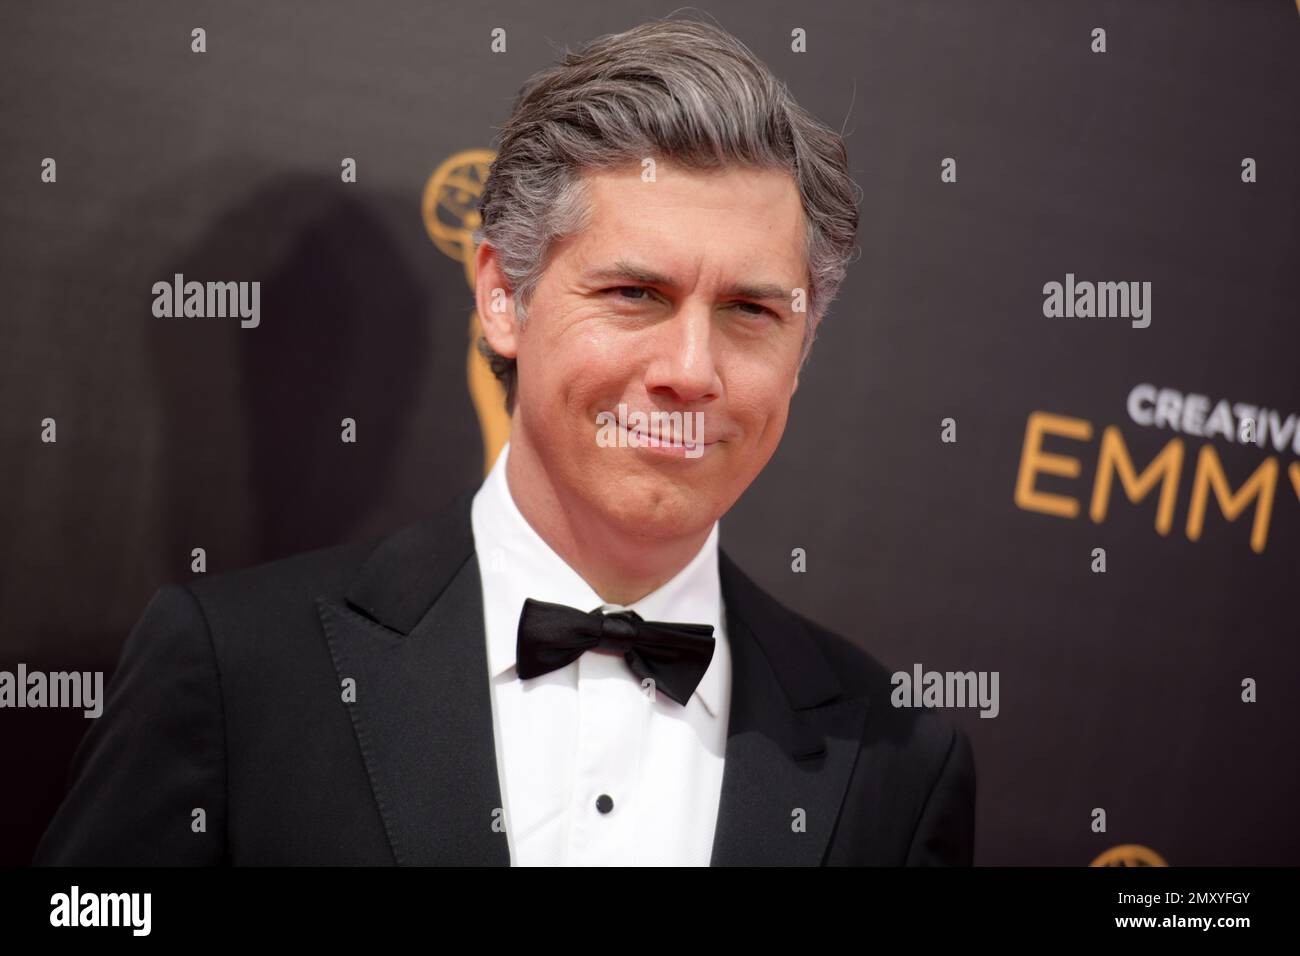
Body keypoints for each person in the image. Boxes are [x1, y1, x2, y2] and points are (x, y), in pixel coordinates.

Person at [35, 14, 974, 866]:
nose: (693, 368)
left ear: (803, 349)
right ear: (501, 297)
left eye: (751, 310)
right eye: (635, 294)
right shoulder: (236, 673)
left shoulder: (896, 757)